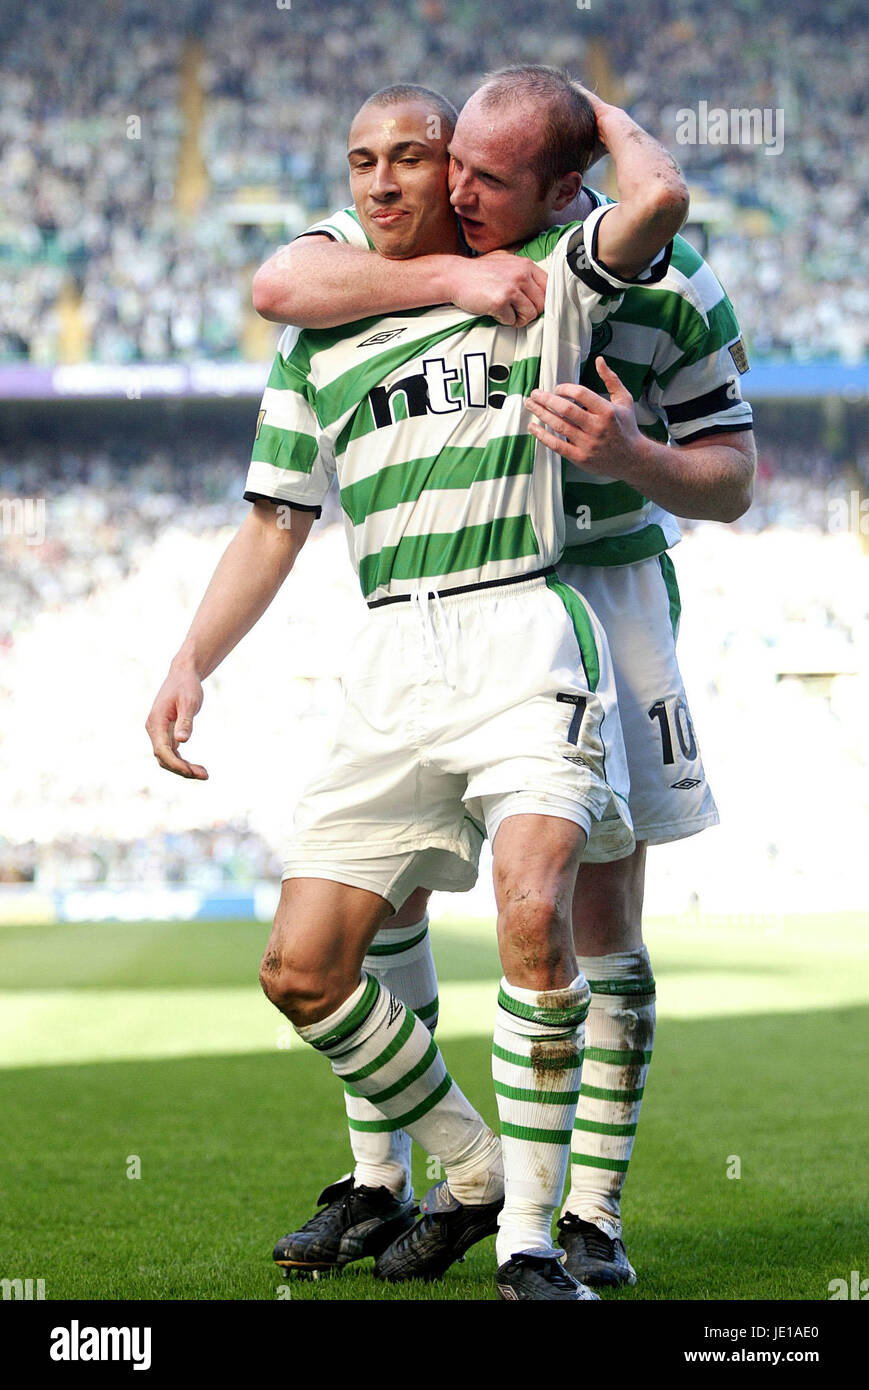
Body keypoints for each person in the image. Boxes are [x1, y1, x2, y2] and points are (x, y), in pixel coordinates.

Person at [148, 75, 686, 1301]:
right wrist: (188, 659)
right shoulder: (318, 335)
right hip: (390, 651)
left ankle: (533, 1244)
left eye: (412, 158)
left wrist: (578, 106)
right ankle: (471, 1161)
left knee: (534, 911)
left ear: (457, 171)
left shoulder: (545, 275)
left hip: (521, 631)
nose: (384, 184)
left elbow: (656, 195)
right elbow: (273, 527)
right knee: (298, 968)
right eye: (360, 163)